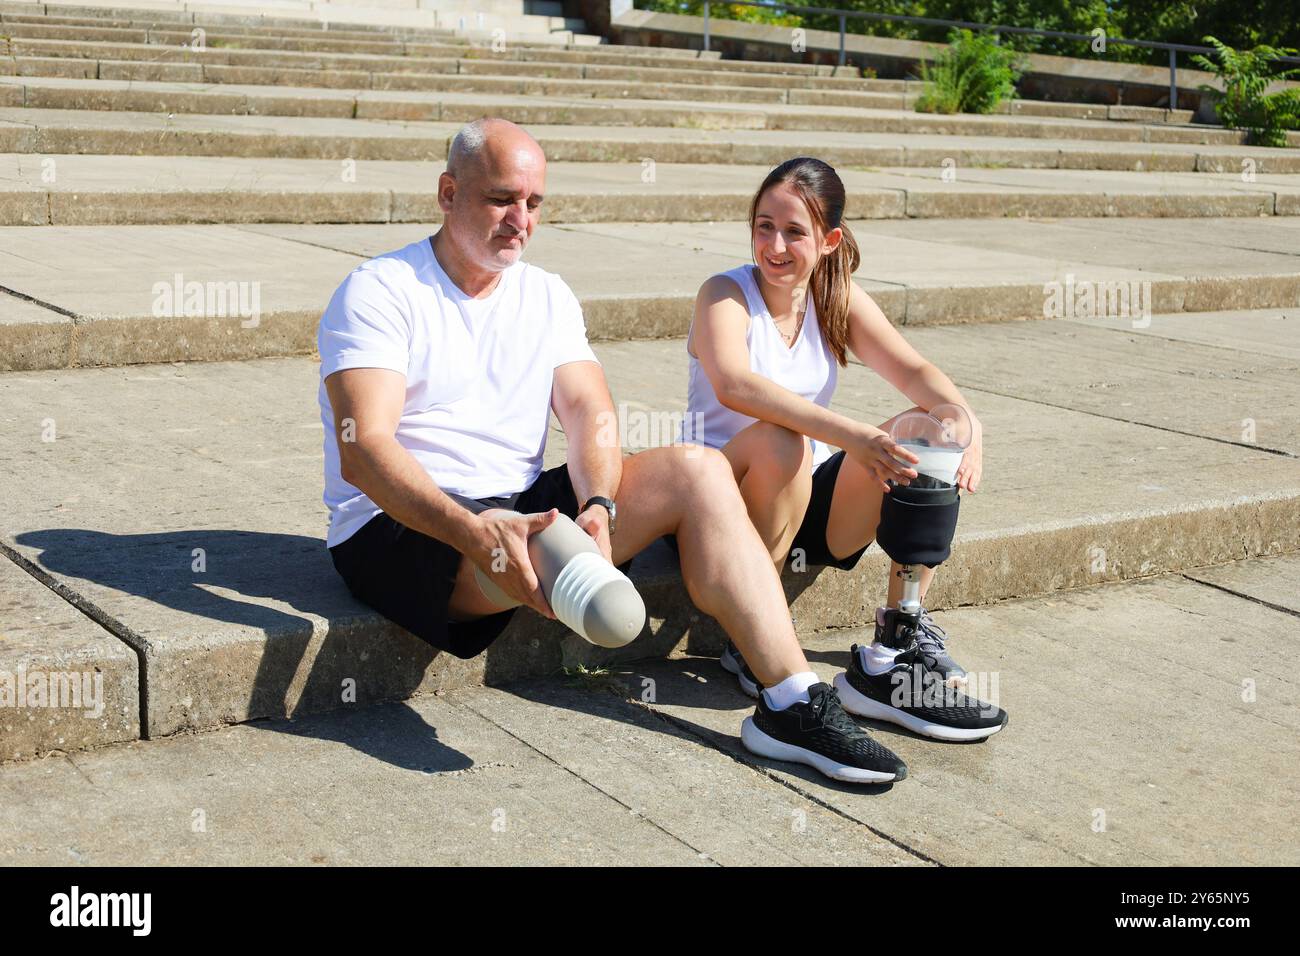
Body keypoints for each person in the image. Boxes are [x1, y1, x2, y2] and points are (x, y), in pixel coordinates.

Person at [317, 119, 910, 783]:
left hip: (522, 505)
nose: (520, 220)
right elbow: (364, 450)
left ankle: (792, 700)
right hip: (402, 527)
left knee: (697, 467)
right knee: (600, 601)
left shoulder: (545, 293)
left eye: (533, 203)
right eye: (501, 199)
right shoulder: (382, 289)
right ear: (448, 193)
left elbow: (591, 414)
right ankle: (556, 562)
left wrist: (599, 503)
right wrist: (472, 530)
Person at [681, 156, 1007, 741]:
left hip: (802, 500)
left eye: (794, 232)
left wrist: (965, 421)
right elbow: (734, 385)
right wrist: (851, 434)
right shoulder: (724, 294)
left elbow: (914, 370)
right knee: (781, 441)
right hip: (721, 503)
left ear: (829, 241)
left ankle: (895, 646)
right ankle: (751, 636)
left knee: (928, 431)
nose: (775, 246)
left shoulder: (834, 297)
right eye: (764, 227)